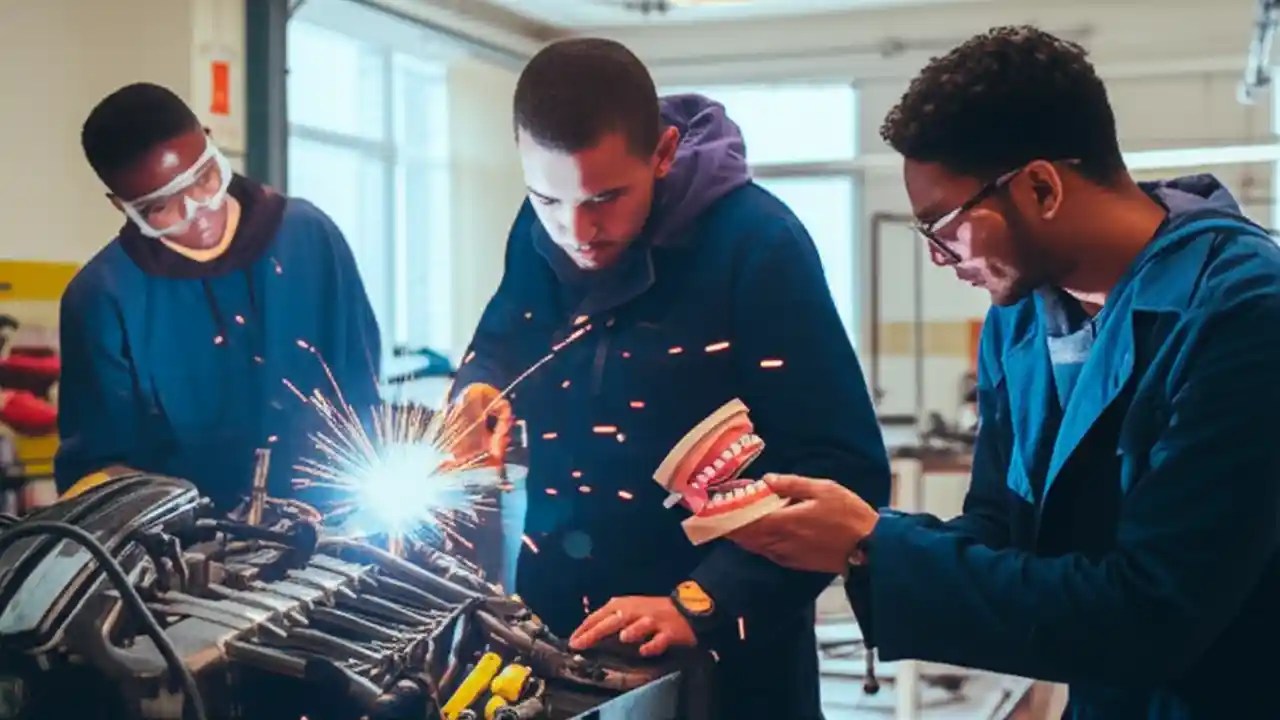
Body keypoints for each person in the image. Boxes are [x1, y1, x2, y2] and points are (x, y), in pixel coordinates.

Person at [728, 25, 1280, 719]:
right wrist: (857, 536)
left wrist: (876, 546)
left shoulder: (1243, 313)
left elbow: (1154, 613)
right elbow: (1000, 531)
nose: (938, 256)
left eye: (945, 225)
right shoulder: (1020, 320)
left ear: (1042, 187)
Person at [447, 38, 889, 718]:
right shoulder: (540, 230)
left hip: (728, 660)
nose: (578, 230)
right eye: (548, 199)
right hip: (558, 629)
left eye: (605, 197)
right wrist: (479, 388)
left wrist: (705, 605)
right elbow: (505, 339)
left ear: (664, 153)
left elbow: (843, 470)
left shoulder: (760, 245)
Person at [55, 82, 382, 512]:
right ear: (122, 206)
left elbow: (362, 391)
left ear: (209, 140)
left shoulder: (308, 238)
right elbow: (100, 465)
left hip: (335, 529)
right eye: (162, 207)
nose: (198, 212)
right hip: (185, 557)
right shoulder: (102, 297)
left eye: (204, 179)